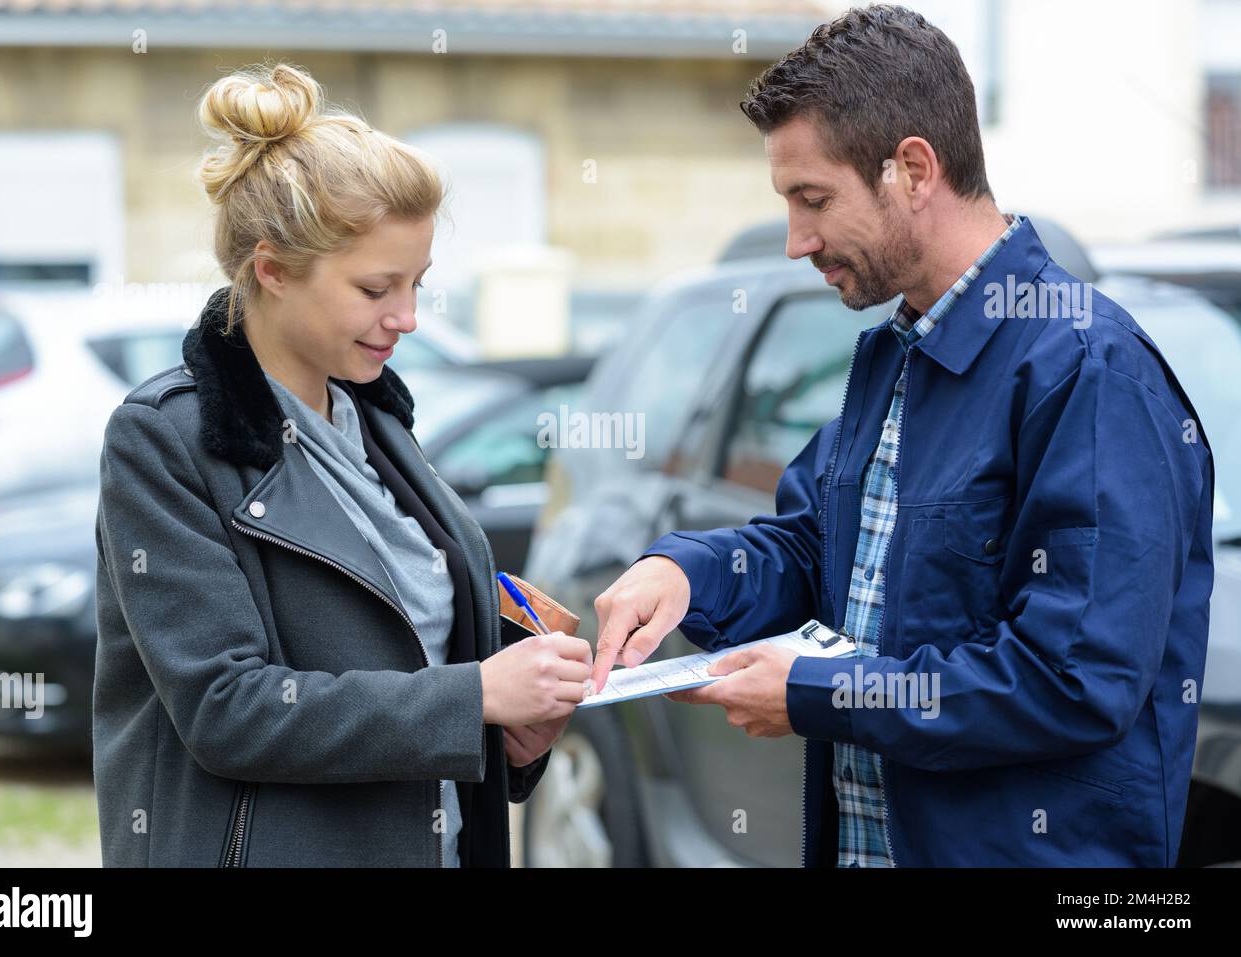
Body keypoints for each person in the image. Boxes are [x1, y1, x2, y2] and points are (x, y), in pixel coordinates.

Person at [592, 4, 1214, 867]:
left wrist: (824, 693)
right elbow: (821, 550)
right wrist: (687, 573)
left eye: (814, 199)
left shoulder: (1087, 370)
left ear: (911, 169)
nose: (795, 240)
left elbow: (1072, 679)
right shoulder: (893, 354)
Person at [92, 61, 592, 867]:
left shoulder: (377, 415)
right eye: (376, 288)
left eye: (419, 283)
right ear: (273, 270)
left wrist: (510, 729)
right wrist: (475, 696)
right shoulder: (163, 439)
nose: (409, 317)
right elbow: (228, 708)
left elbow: (416, 662)